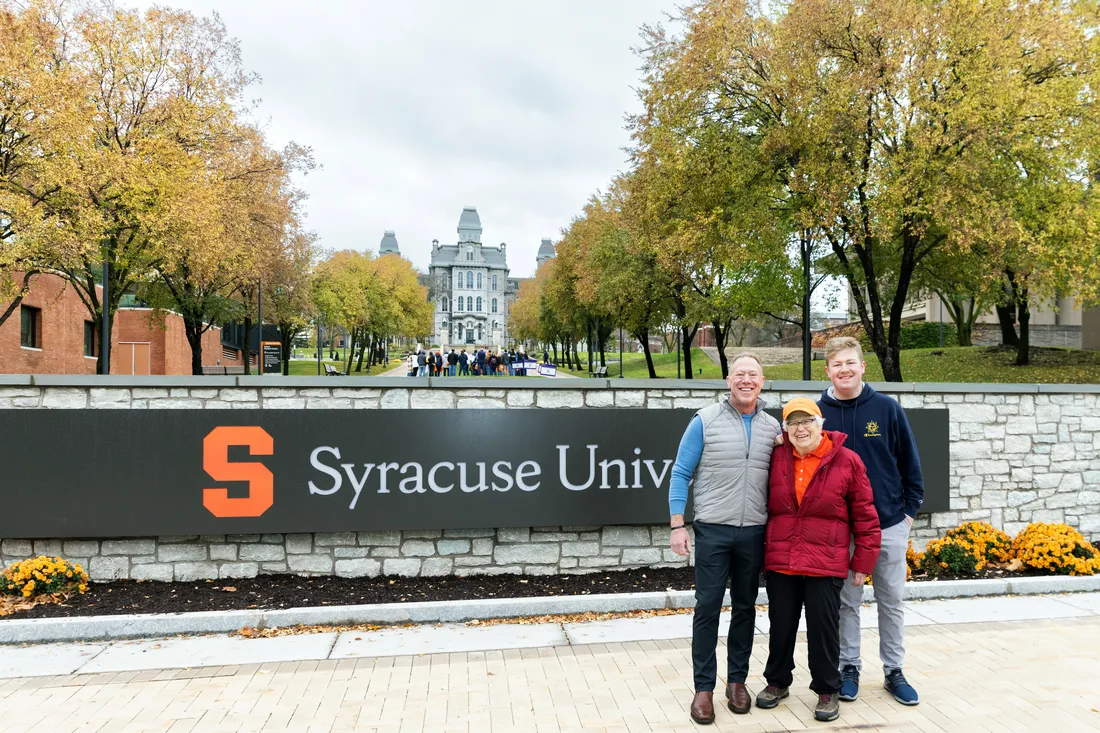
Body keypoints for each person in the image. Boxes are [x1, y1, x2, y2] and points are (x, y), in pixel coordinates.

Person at [668, 353, 781, 724]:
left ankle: (737, 682)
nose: (746, 380)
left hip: (753, 533)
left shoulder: (771, 428)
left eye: (753, 374)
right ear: (728, 380)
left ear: (762, 382)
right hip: (713, 531)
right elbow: (681, 472)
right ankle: (703, 689)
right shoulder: (705, 420)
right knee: (708, 607)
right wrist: (677, 524)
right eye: (739, 374)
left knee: (746, 608)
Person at [755, 398, 881, 723]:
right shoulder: (775, 457)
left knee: (823, 628)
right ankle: (777, 682)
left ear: (820, 423)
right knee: (780, 625)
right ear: (785, 430)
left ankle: (827, 689)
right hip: (782, 558)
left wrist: (863, 562)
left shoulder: (847, 460)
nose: (801, 428)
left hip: (824, 561)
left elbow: (866, 516)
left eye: (807, 421)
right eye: (793, 423)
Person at [817, 336, 924, 707]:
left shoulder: (888, 409)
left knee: (891, 601)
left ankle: (894, 671)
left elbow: (911, 467)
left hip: (889, 525)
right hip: (841, 531)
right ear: (827, 370)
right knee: (846, 603)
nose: (844, 370)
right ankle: (849, 668)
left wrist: (907, 516)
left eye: (850, 362)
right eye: (836, 364)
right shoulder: (818, 416)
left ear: (862, 366)